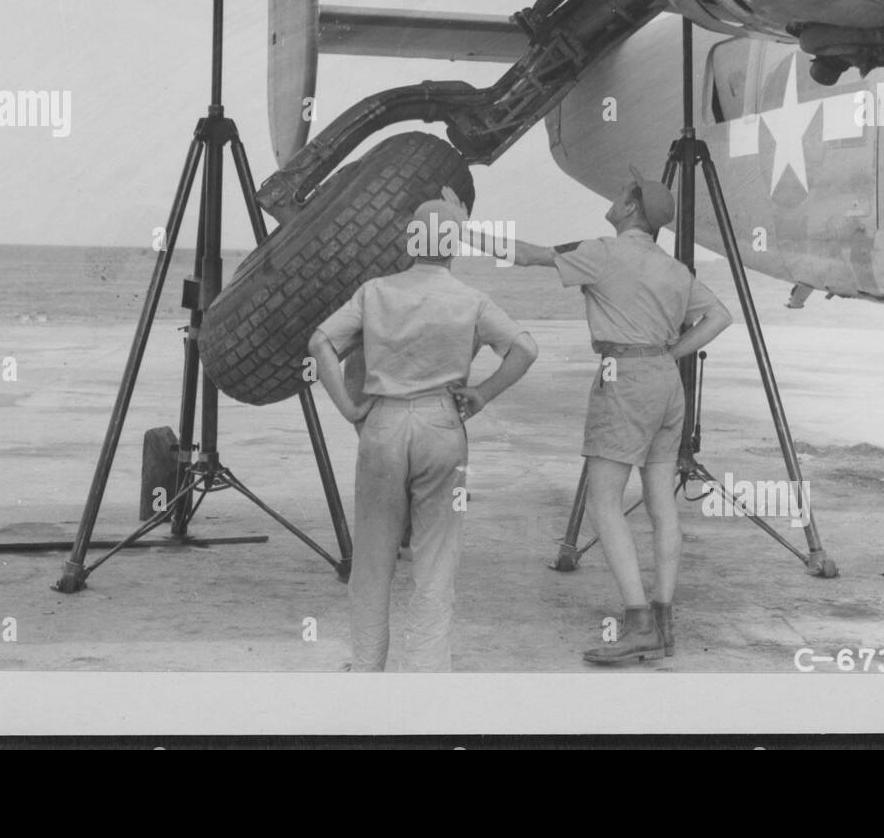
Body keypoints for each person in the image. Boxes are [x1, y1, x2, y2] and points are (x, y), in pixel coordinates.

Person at [507, 167, 732, 664]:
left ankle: (638, 625)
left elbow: (525, 255)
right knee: (660, 503)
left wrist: (457, 231)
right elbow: (720, 316)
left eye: (620, 193)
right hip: (665, 382)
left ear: (631, 208)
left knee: (604, 502)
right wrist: (672, 354)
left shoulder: (603, 253)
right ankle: (664, 621)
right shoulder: (674, 269)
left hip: (623, 379)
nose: (612, 197)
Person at [307, 189, 538, 672]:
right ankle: (427, 679)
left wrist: (350, 407)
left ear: (411, 241)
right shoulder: (471, 299)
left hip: (383, 424)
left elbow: (320, 343)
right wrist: (483, 394)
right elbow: (525, 350)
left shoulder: (375, 292)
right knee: (436, 559)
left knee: (372, 560)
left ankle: (368, 670)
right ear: (453, 245)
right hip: (442, 426)